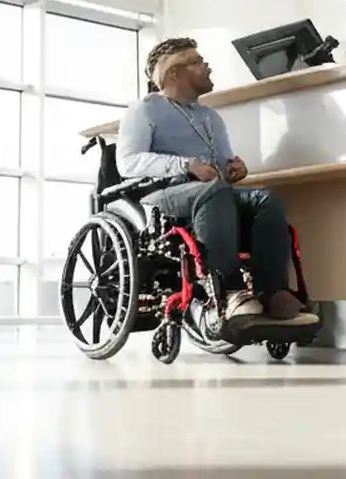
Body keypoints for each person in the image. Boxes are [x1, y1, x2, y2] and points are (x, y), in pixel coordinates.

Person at [115, 37, 319, 330]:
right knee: (216, 192)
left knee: (265, 198)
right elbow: (128, 162)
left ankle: (273, 292)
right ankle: (232, 291)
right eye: (196, 61)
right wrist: (185, 165)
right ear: (174, 73)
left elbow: (222, 164)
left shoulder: (210, 117)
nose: (206, 66)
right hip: (162, 194)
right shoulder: (145, 109)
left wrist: (235, 167)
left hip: (212, 192)